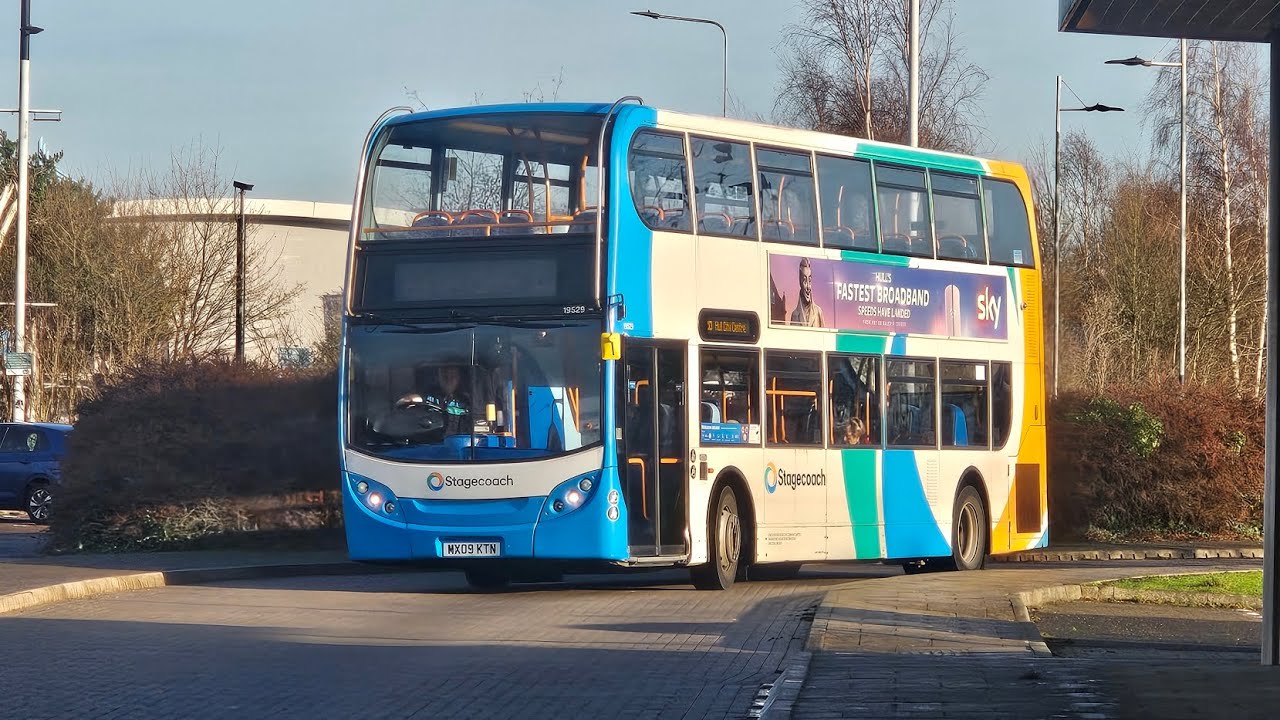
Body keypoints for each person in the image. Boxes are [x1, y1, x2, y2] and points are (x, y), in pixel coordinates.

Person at [790, 256, 826, 327]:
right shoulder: (794, 315)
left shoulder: (818, 312)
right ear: (800, 282)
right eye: (804, 280)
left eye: (809, 280)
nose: (808, 286)